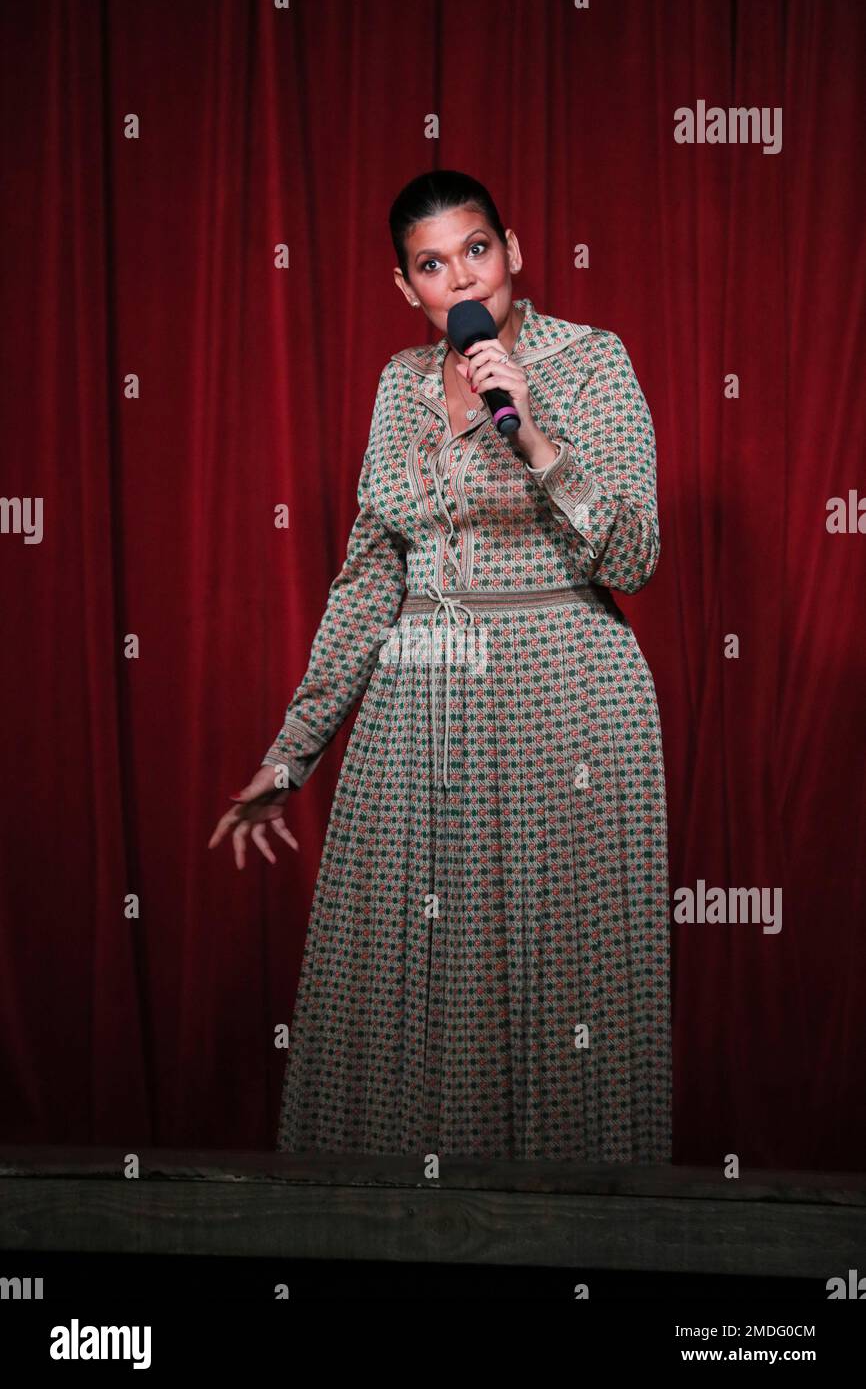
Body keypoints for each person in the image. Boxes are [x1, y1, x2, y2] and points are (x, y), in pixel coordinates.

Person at [209, 170, 671, 1163]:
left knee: (557, 990)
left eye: (474, 249)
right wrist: (287, 758)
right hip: (417, 714)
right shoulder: (398, 386)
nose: (460, 275)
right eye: (432, 263)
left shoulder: (589, 363)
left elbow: (631, 556)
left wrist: (536, 435)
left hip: (568, 711)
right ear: (404, 285)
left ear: (511, 250)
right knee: (414, 994)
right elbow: (369, 579)